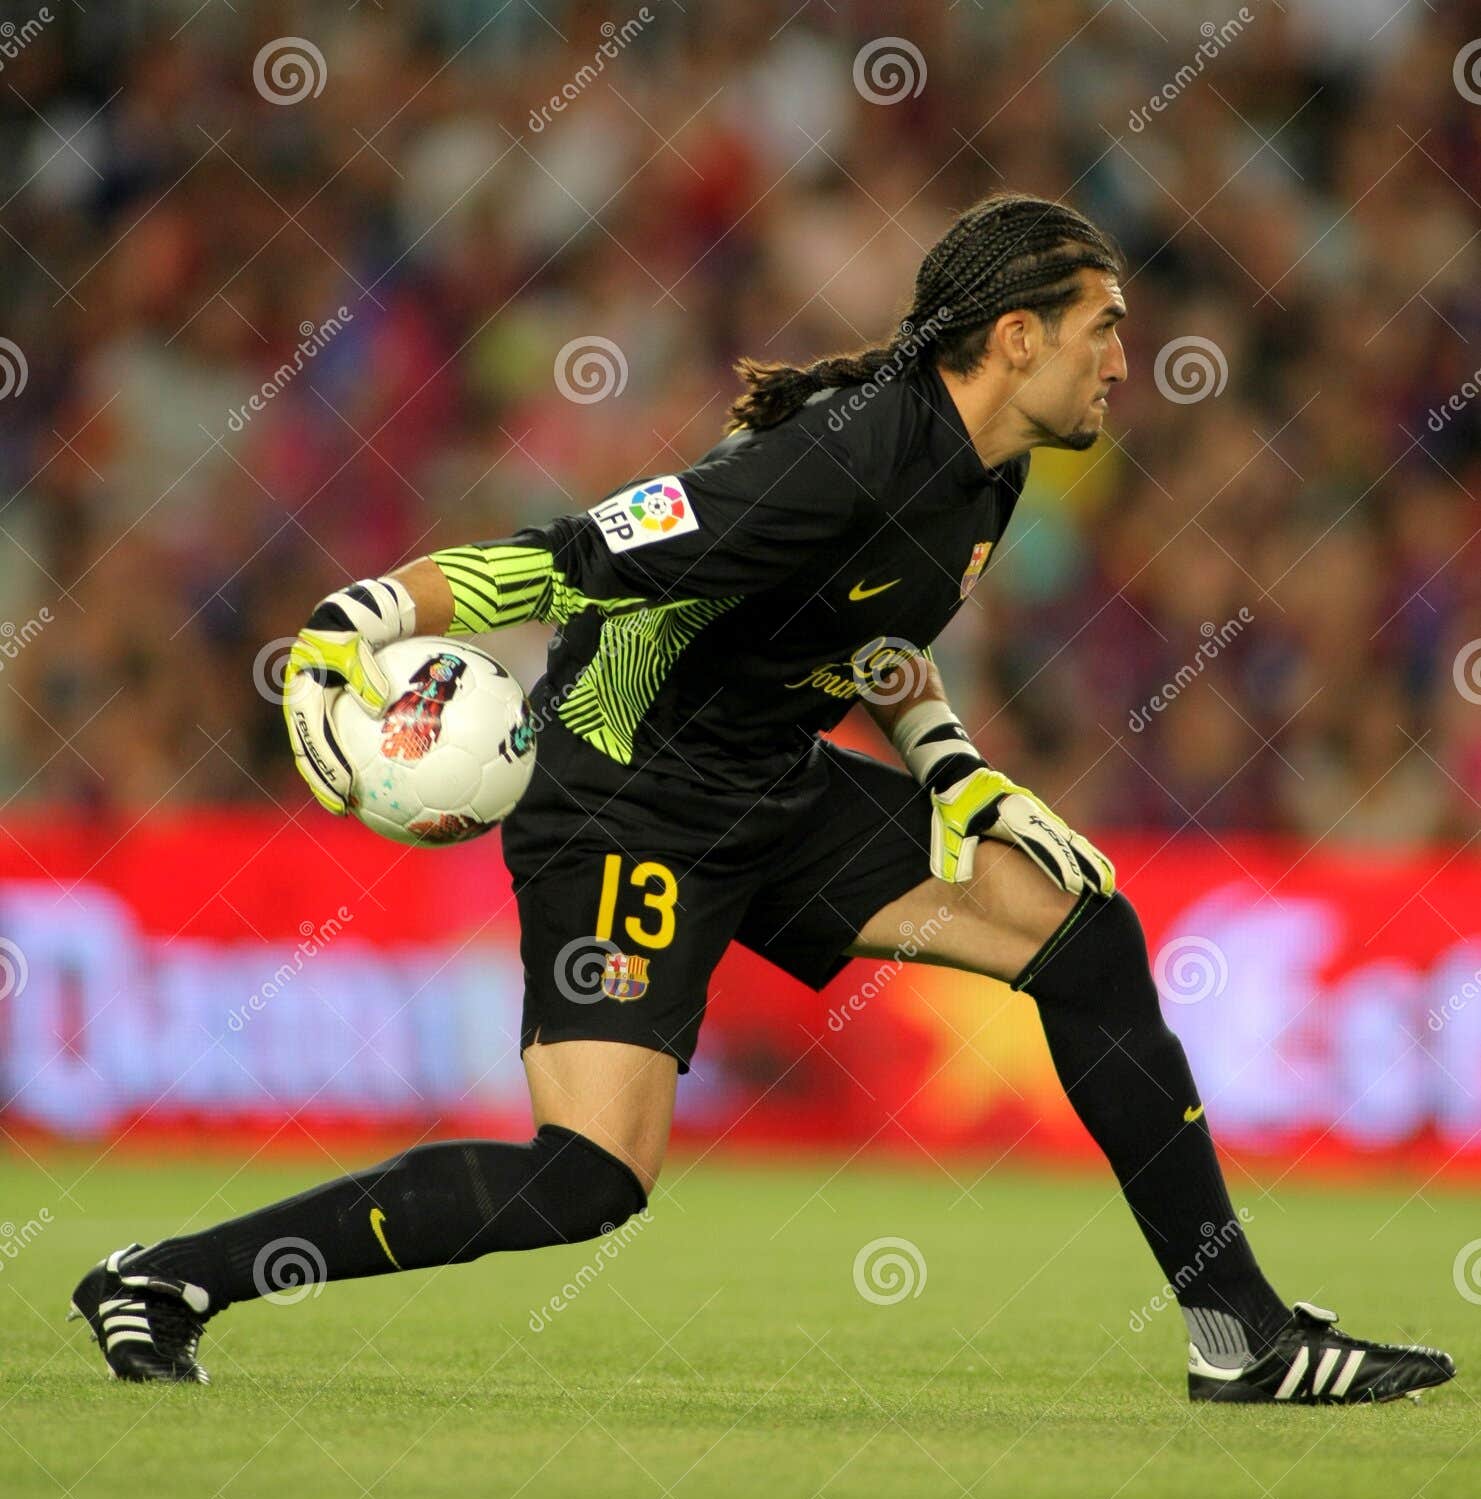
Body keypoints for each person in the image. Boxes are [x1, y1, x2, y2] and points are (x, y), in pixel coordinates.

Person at [69, 192, 1453, 1405]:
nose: (1120, 356)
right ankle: (168, 1277)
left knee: (1085, 936)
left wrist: (956, 769)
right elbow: (570, 554)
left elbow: (864, 636)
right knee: (587, 1180)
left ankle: (1241, 1335)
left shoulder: (988, 469)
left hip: (768, 783)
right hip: (623, 802)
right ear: (1016, 337)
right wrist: (355, 616)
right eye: (1101, 325)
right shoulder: (828, 462)